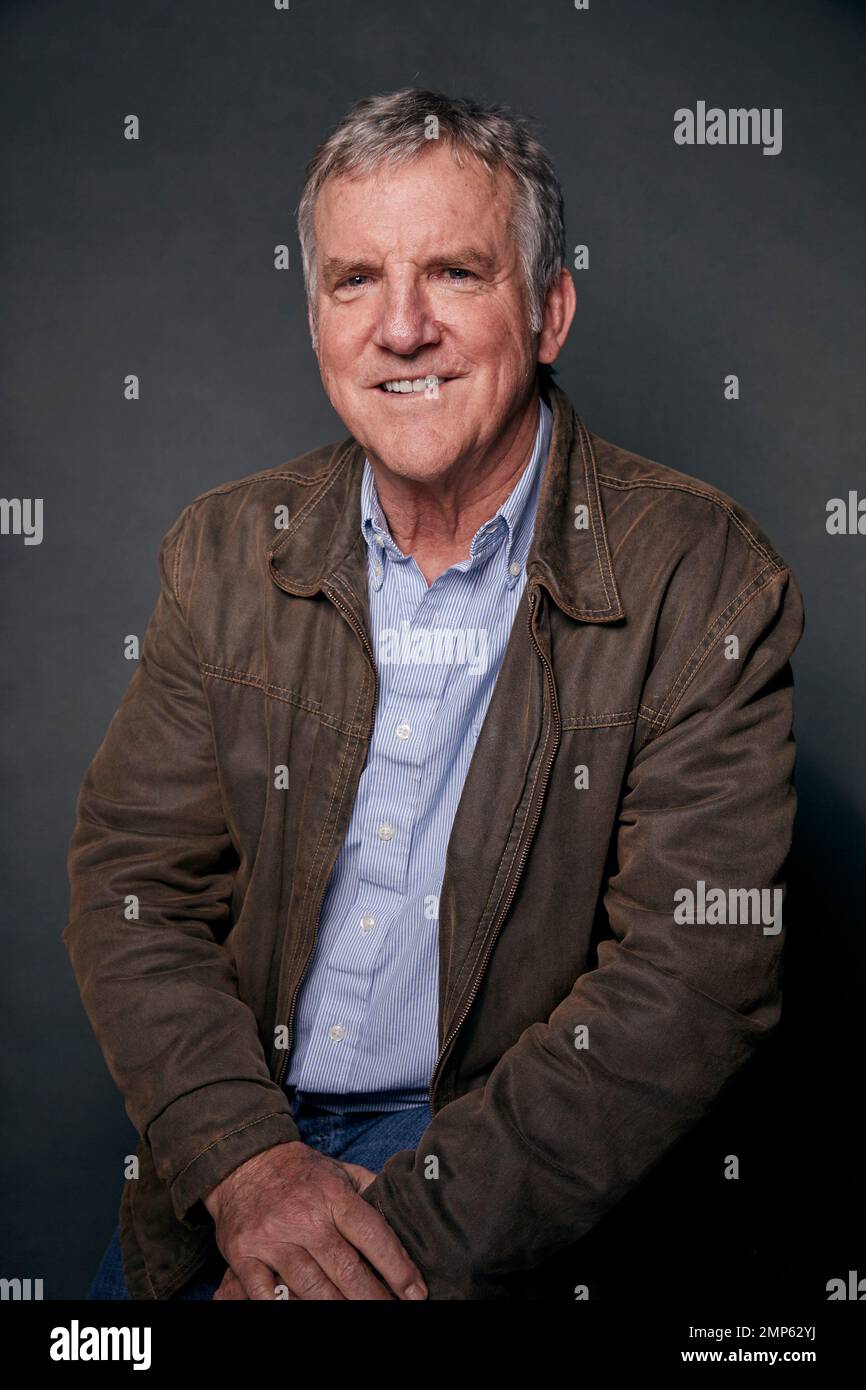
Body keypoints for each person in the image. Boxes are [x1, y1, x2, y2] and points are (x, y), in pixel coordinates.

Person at [66, 88, 804, 1302]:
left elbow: (694, 977)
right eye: (354, 280)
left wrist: (398, 1231)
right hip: (234, 1150)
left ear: (549, 310)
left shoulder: (703, 574)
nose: (399, 329)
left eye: (454, 273)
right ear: (316, 320)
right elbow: (133, 885)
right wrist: (246, 1167)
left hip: (512, 1180)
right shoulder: (225, 550)